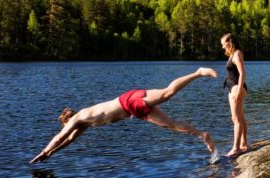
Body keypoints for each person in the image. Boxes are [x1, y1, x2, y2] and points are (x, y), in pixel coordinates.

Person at [30, 68, 219, 164]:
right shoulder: (83, 124)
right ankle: (203, 135)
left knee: (167, 93)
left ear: (66, 120)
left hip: (128, 101)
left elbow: (60, 136)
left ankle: (198, 72)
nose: (67, 128)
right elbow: (68, 140)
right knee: (172, 125)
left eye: (65, 125)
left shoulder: (77, 118)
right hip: (133, 110)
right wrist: (51, 154)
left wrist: (44, 151)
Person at [221, 33, 248, 156]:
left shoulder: (237, 54)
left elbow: (242, 73)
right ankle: (244, 144)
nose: (222, 47)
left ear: (230, 42)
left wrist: (238, 90)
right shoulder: (232, 54)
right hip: (232, 86)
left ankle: (236, 148)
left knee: (236, 119)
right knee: (240, 118)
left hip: (237, 87)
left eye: (223, 44)